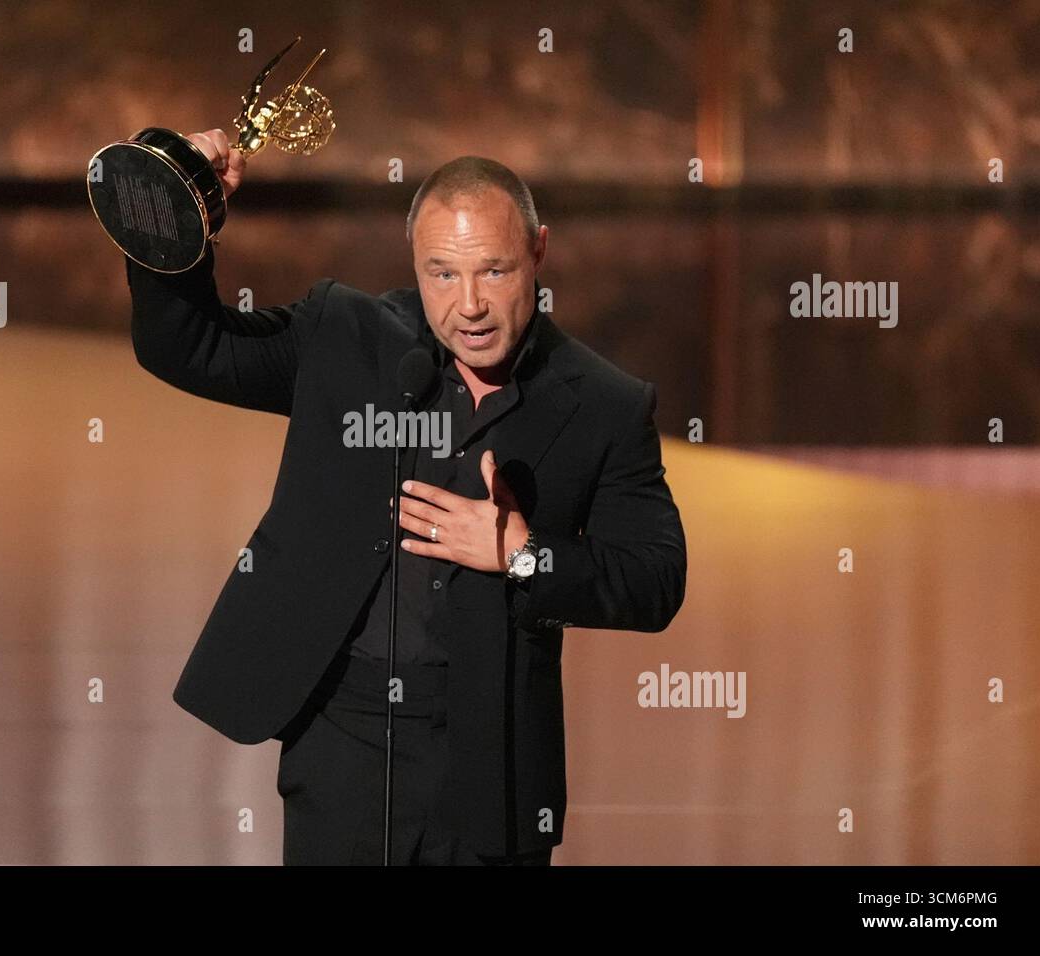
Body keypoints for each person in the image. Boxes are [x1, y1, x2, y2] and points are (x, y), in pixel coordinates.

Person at [127, 127, 687, 865]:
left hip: (492, 762)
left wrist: (521, 555)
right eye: (443, 274)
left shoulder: (605, 405)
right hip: (342, 743)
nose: (471, 306)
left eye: (494, 271)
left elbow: (654, 580)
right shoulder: (347, 337)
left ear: (539, 252)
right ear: (413, 264)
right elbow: (189, 347)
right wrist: (171, 204)